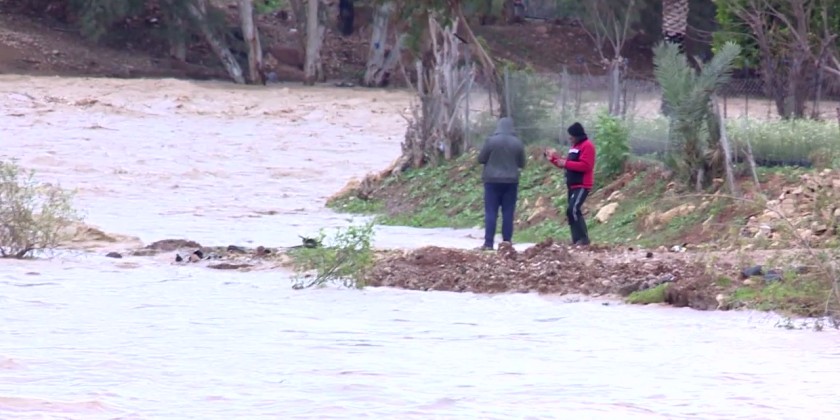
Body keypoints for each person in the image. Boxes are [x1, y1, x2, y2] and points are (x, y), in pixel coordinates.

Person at [477, 117, 526, 251]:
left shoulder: (490, 141)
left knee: (491, 212)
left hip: (491, 181)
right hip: (511, 182)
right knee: (508, 213)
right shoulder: (517, 143)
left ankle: (488, 244)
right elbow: (522, 163)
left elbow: (481, 159)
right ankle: (506, 243)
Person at [545, 122, 597, 246]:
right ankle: (576, 240)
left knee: (573, 209)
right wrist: (553, 159)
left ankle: (584, 239)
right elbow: (566, 164)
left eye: (571, 135)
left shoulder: (587, 146)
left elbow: (586, 165)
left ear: (577, 135)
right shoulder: (574, 147)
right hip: (572, 185)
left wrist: (565, 163)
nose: (570, 138)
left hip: (582, 184)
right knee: (571, 212)